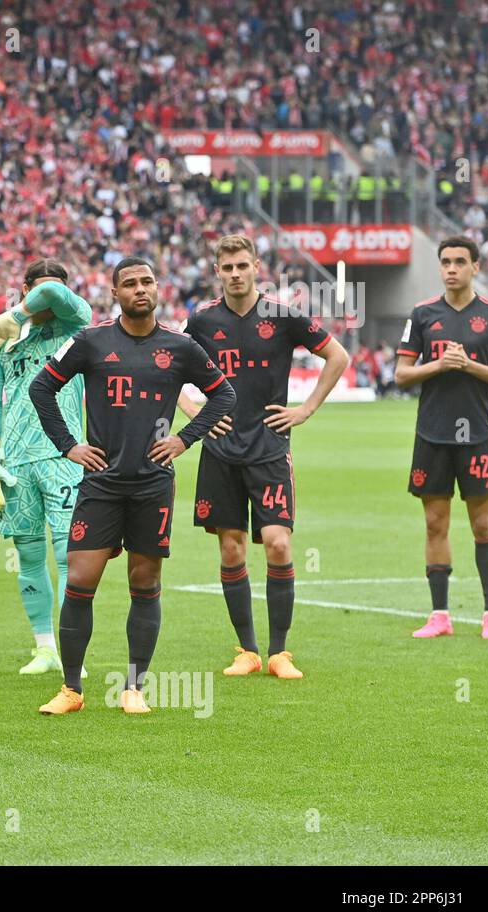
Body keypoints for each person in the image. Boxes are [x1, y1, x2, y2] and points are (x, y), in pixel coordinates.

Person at [29, 257, 236, 716]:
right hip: (100, 483)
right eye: (130, 283)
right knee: (80, 582)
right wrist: (69, 446)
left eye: (147, 281)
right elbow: (41, 389)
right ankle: (71, 690)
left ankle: (134, 687)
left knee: (145, 583)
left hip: (152, 485)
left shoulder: (180, 347)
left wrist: (184, 439)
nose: (140, 289)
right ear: (115, 293)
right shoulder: (91, 340)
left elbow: (225, 393)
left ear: (157, 288)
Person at [178, 234, 349, 679]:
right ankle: (247, 650)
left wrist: (306, 409)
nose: (235, 274)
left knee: (277, 543)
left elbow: (338, 355)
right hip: (219, 450)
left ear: (257, 267)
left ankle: (279, 652)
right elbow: (165, 363)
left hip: (270, 448)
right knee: (231, 549)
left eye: (242, 266)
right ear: (217, 271)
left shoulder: (284, 315)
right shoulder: (200, 321)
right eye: (227, 267)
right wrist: (193, 409)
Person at [0, 259, 91, 675]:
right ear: (22, 287)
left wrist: (14, 314)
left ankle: (72, 652)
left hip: (66, 456)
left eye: (51, 289)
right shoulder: (2, 341)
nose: (45, 298)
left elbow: (55, 295)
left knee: (68, 555)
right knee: (27, 554)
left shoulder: (76, 323)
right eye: (35, 290)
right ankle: (44, 648)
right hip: (17, 460)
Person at [395, 236, 488, 640]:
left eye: (460, 262)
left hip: (477, 433)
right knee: (434, 523)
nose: (451, 268)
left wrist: (471, 365)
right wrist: (439, 364)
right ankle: (440, 615)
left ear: (475, 267)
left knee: (483, 524)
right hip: (432, 432)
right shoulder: (423, 314)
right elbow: (402, 374)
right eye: (445, 261)